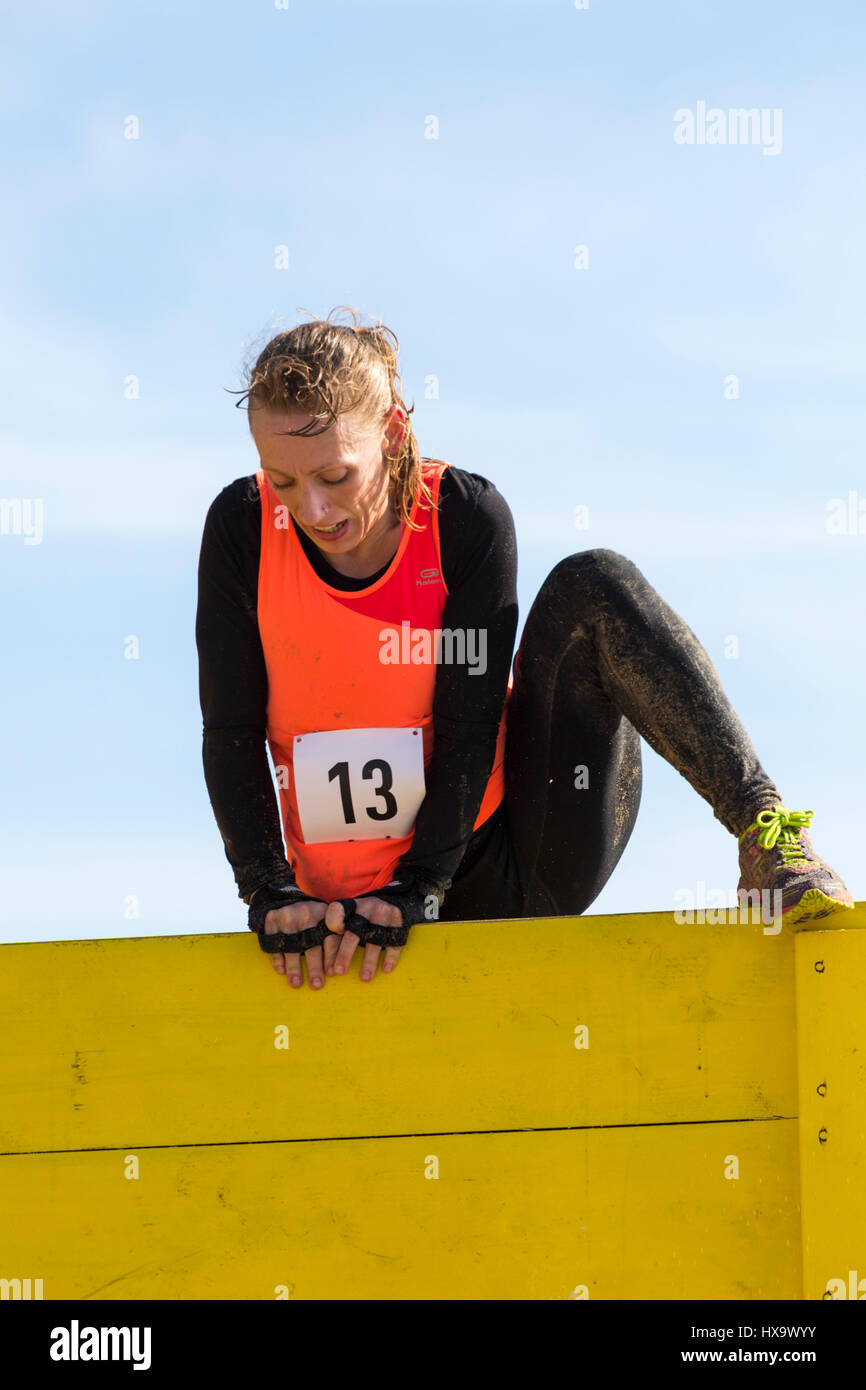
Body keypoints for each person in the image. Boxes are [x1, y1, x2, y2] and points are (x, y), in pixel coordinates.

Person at [196, 308, 853, 990]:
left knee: (593, 582)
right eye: (283, 481)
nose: (314, 510)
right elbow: (231, 729)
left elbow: (468, 723)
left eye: (334, 477)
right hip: (344, 910)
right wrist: (267, 889)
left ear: (392, 433)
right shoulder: (242, 529)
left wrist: (422, 886)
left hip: (510, 863)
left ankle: (771, 837)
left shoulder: (463, 517)